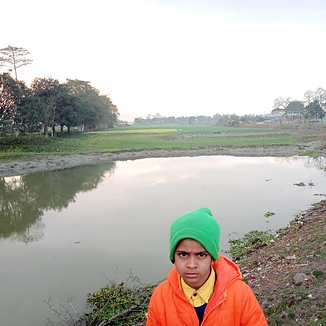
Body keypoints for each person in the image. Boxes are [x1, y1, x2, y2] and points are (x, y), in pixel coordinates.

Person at [146, 207, 268, 326]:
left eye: (201, 255)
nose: (191, 265)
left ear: (212, 258)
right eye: (183, 254)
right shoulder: (160, 297)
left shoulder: (240, 294)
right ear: (173, 257)